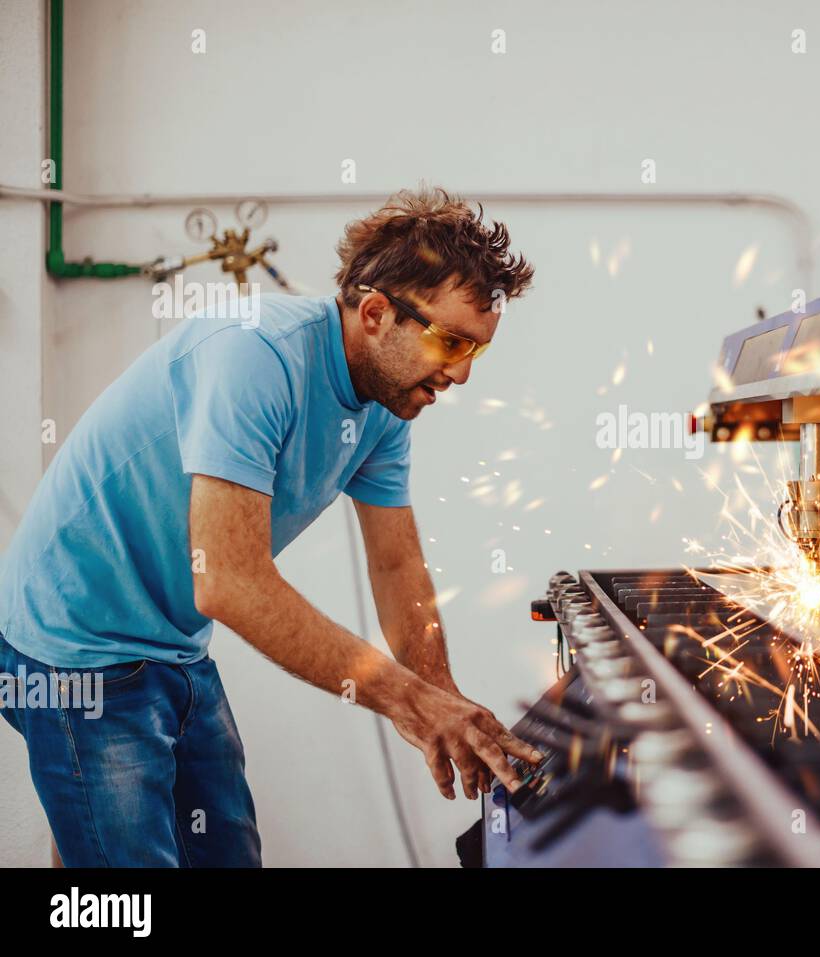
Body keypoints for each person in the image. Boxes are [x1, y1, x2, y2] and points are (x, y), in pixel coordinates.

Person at [0, 187, 539, 866]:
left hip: (171, 641)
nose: (459, 372)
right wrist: (406, 700)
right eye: (450, 341)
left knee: (222, 854)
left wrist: (443, 700)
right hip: (72, 641)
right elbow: (229, 582)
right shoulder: (255, 354)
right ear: (375, 313)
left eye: (475, 350)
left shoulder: (390, 402)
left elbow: (396, 566)